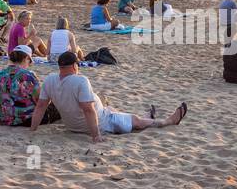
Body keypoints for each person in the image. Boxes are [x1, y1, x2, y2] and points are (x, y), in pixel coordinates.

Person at [32, 51, 185, 140]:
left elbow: (40, 106)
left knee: (109, 108)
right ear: (74, 66)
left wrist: (33, 130)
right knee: (135, 121)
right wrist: (96, 136)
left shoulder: (50, 79)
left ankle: (143, 117)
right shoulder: (80, 81)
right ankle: (168, 121)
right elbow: (88, 110)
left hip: (73, 125)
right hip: (100, 123)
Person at [0, 46, 50, 126]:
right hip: (23, 119)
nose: (29, 64)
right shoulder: (27, 75)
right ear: (26, 58)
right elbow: (39, 100)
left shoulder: (1, 74)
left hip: (1, 117)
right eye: (29, 61)